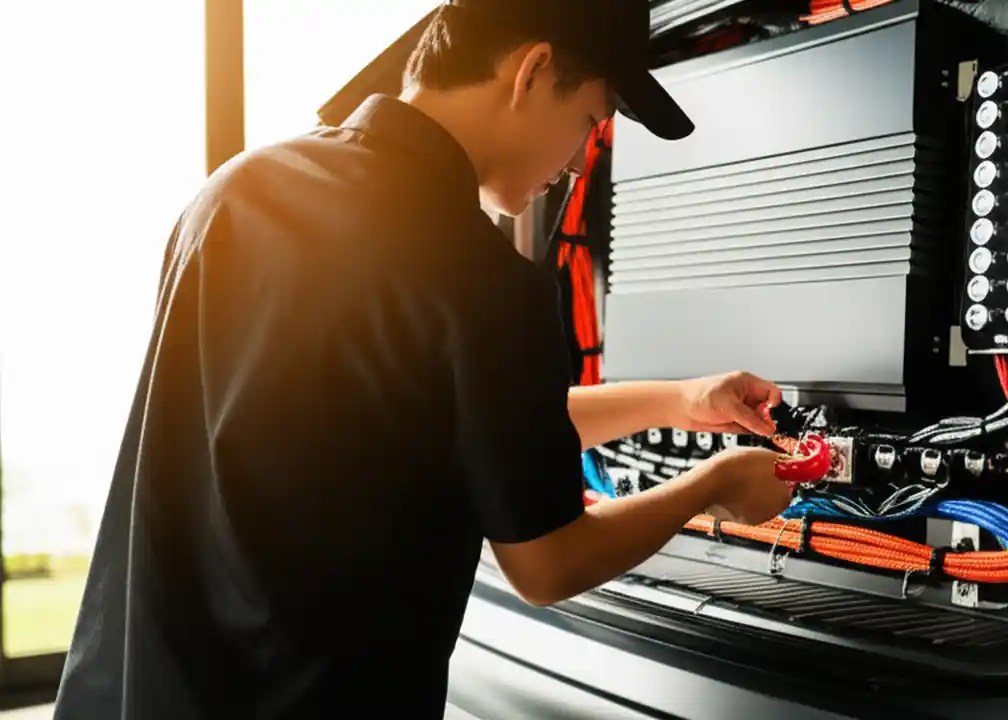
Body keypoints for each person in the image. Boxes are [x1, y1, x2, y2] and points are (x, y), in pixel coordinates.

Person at [53, 0, 793, 717]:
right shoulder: (480, 277)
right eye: (586, 124)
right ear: (531, 71)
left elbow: (443, 419)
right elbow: (548, 564)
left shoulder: (231, 194)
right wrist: (715, 485)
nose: (574, 165)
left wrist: (681, 402)